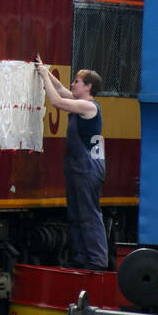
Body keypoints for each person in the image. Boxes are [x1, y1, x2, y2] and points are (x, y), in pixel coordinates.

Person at [34, 56, 108, 270]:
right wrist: (44, 69)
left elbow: (56, 100)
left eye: (76, 81)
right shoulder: (79, 103)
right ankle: (82, 257)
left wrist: (42, 76)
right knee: (75, 213)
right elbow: (59, 89)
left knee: (88, 214)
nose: (72, 84)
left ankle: (97, 260)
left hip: (87, 167)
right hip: (76, 166)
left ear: (88, 86)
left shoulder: (89, 107)